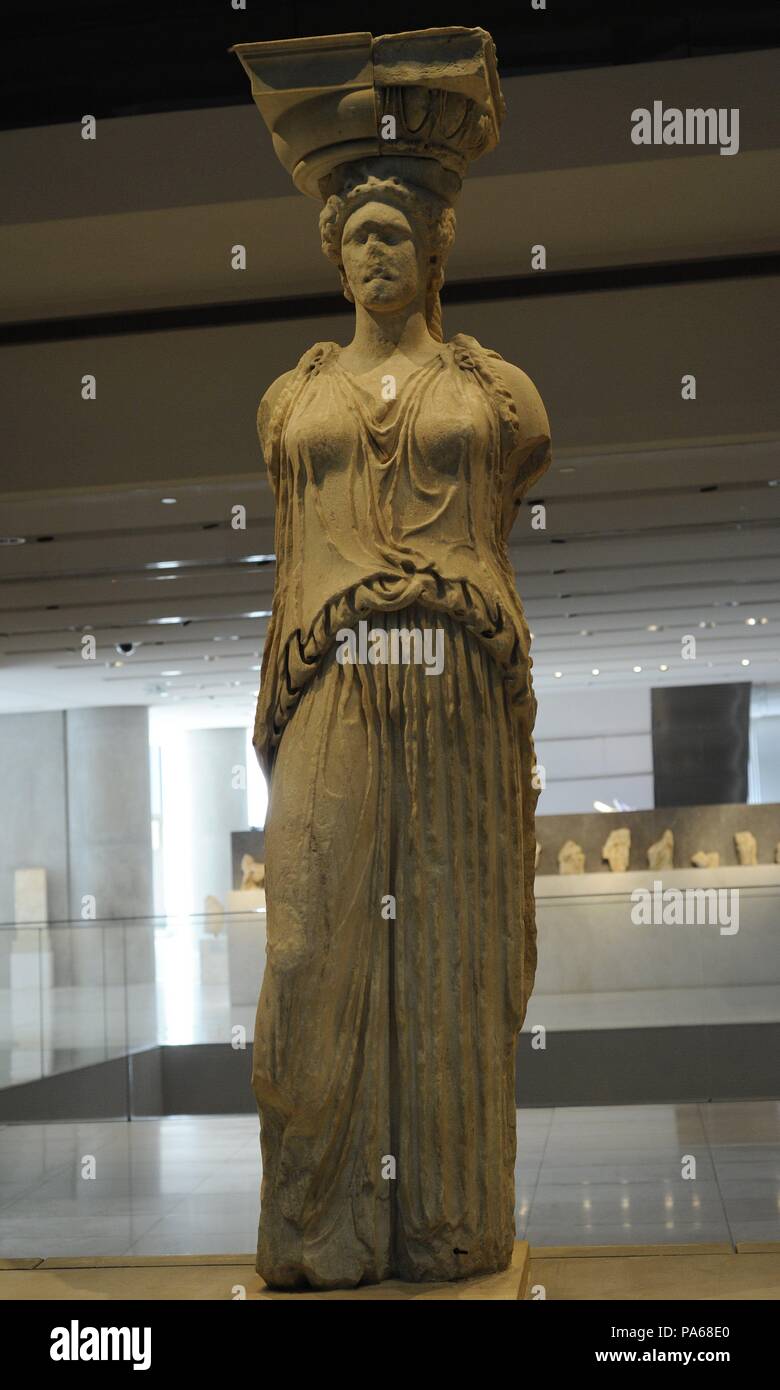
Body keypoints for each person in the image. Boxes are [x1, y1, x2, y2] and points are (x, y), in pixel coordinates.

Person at [249, 154, 552, 1290]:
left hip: (456, 673)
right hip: (335, 671)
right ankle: (320, 1227)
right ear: (334, 251)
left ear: (436, 247)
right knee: (308, 946)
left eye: (396, 232)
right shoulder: (293, 398)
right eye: (358, 233)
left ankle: (449, 1220)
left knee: (450, 948)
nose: (376, 251)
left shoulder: (501, 392)